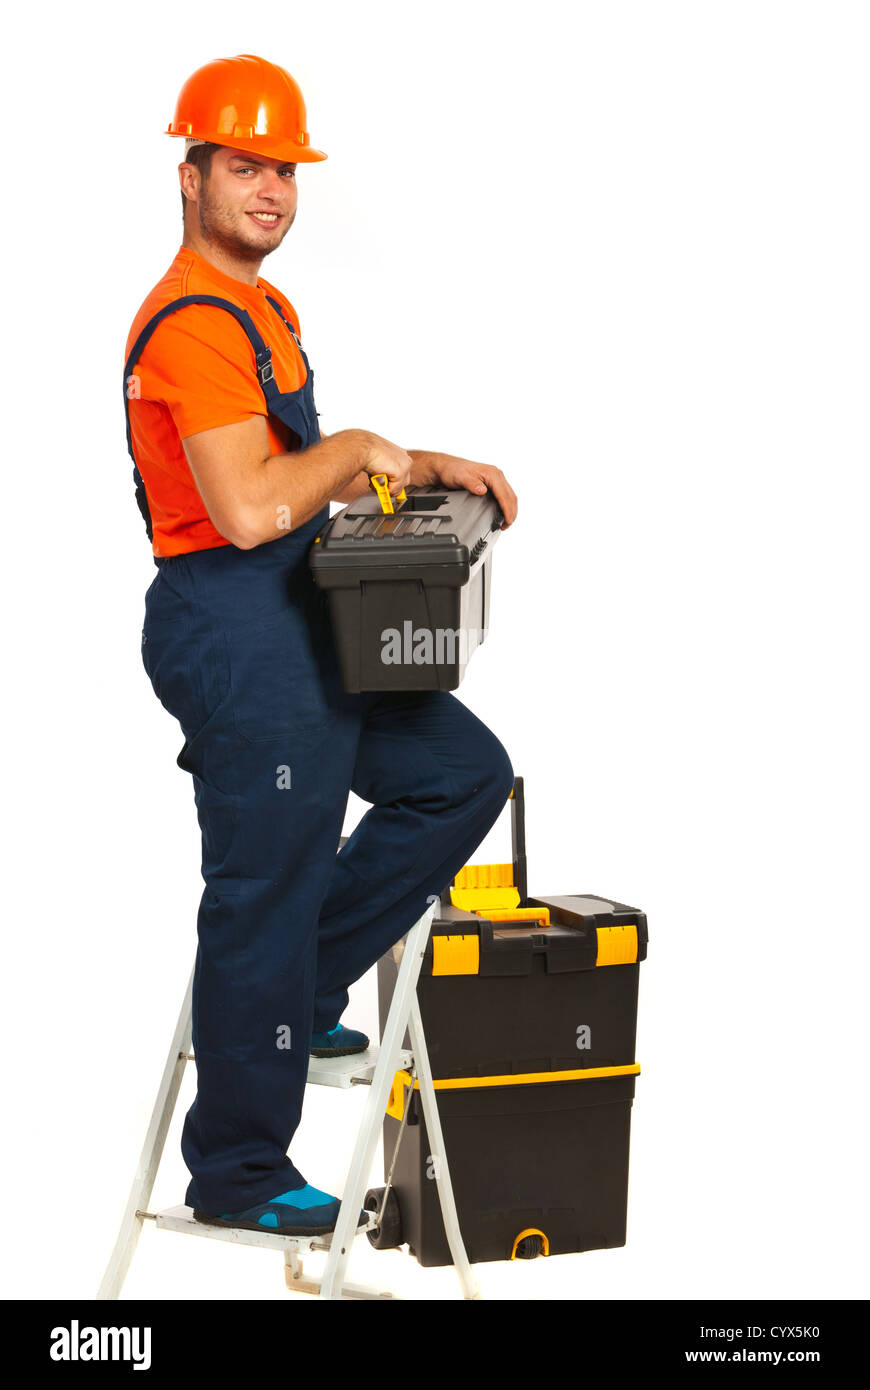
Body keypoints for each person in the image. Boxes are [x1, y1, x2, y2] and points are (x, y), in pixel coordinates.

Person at [124, 53, 518, 1237]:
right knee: (267, 878)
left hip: (303, 607)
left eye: (282, 169)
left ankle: (299, 986)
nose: (270, 188)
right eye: (243, 165)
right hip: (234, 628)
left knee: (460, 774)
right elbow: (247, 510)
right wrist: (355, 445)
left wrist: (424, 464)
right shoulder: (191, 324)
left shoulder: (265, 310)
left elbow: (294, 492)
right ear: (189, 175)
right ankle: (240, 1166)